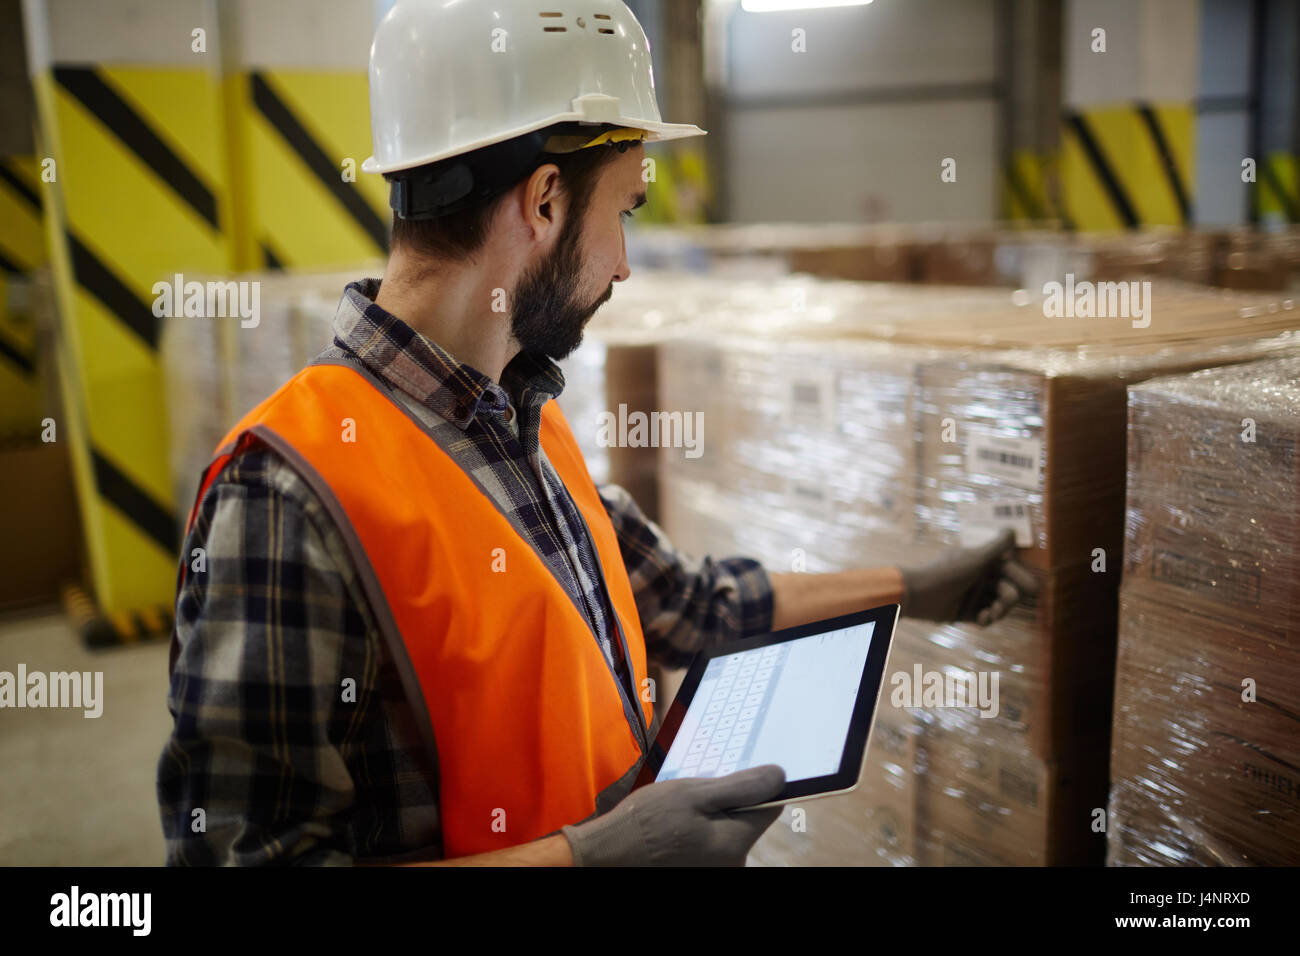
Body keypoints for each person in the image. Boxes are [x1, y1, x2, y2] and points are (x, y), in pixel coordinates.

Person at [156, 0, 1036, 867]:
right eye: (626, 211)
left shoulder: (518, 423)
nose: (622, 263)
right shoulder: (285, 494)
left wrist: (915, 588)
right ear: (543, 201)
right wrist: (589, 858)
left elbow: (690, 607)